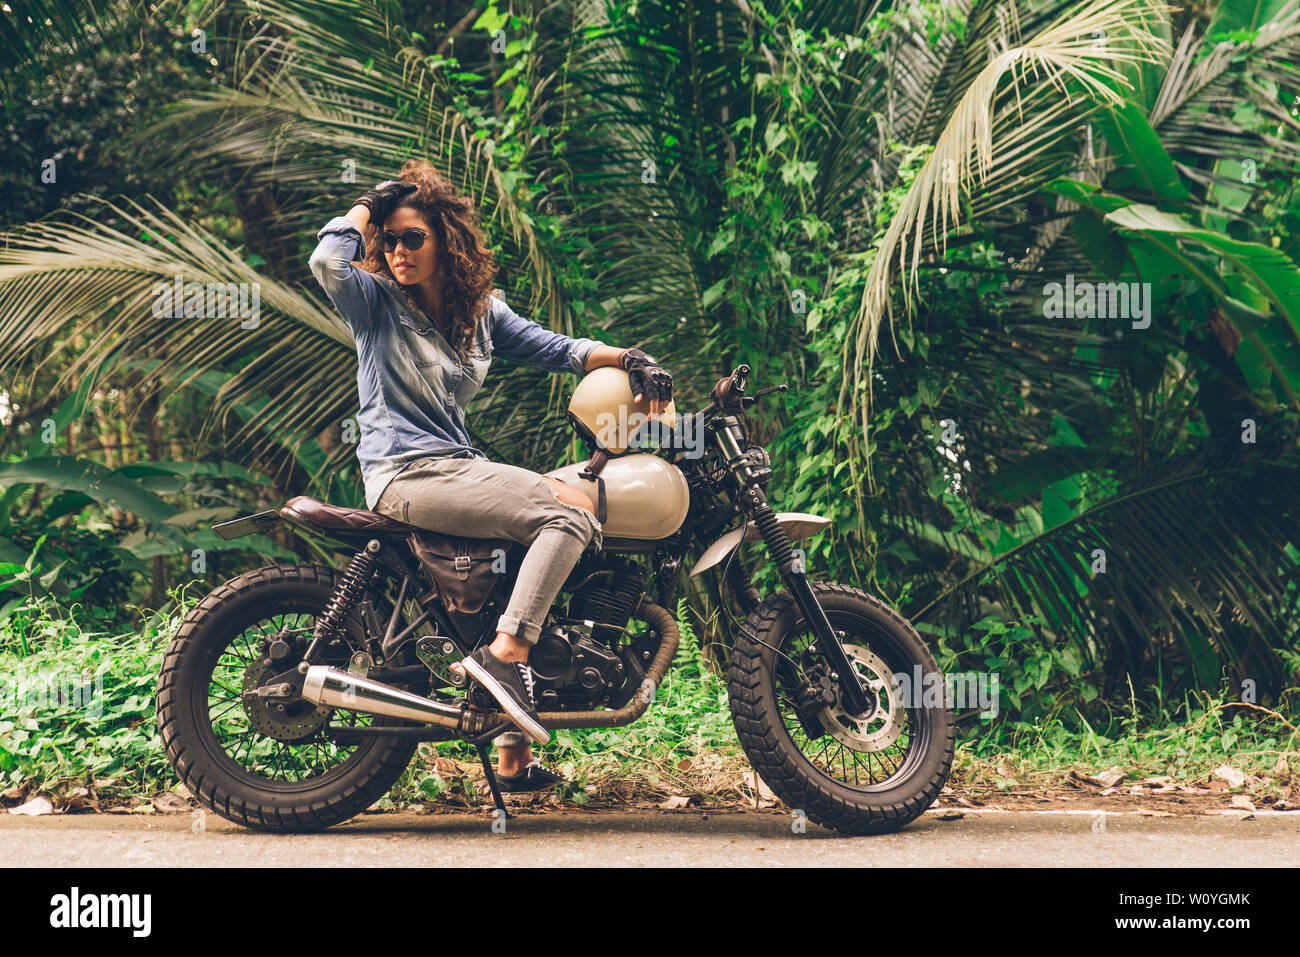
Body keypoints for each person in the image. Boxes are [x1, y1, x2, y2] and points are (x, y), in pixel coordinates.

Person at [307, 160, 673, 792]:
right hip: (406, 472)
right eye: (388, 239)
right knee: (569, 512)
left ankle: (511, 757)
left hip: (455, 468)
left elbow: (555, 347)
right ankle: (506, 656)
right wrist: (369, 204)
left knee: (528, 552)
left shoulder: (480, 313)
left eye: (411, 237)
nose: (396, 250)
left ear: (445, 240)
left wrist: (629, 359)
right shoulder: (374, 304)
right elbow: (326, 265)